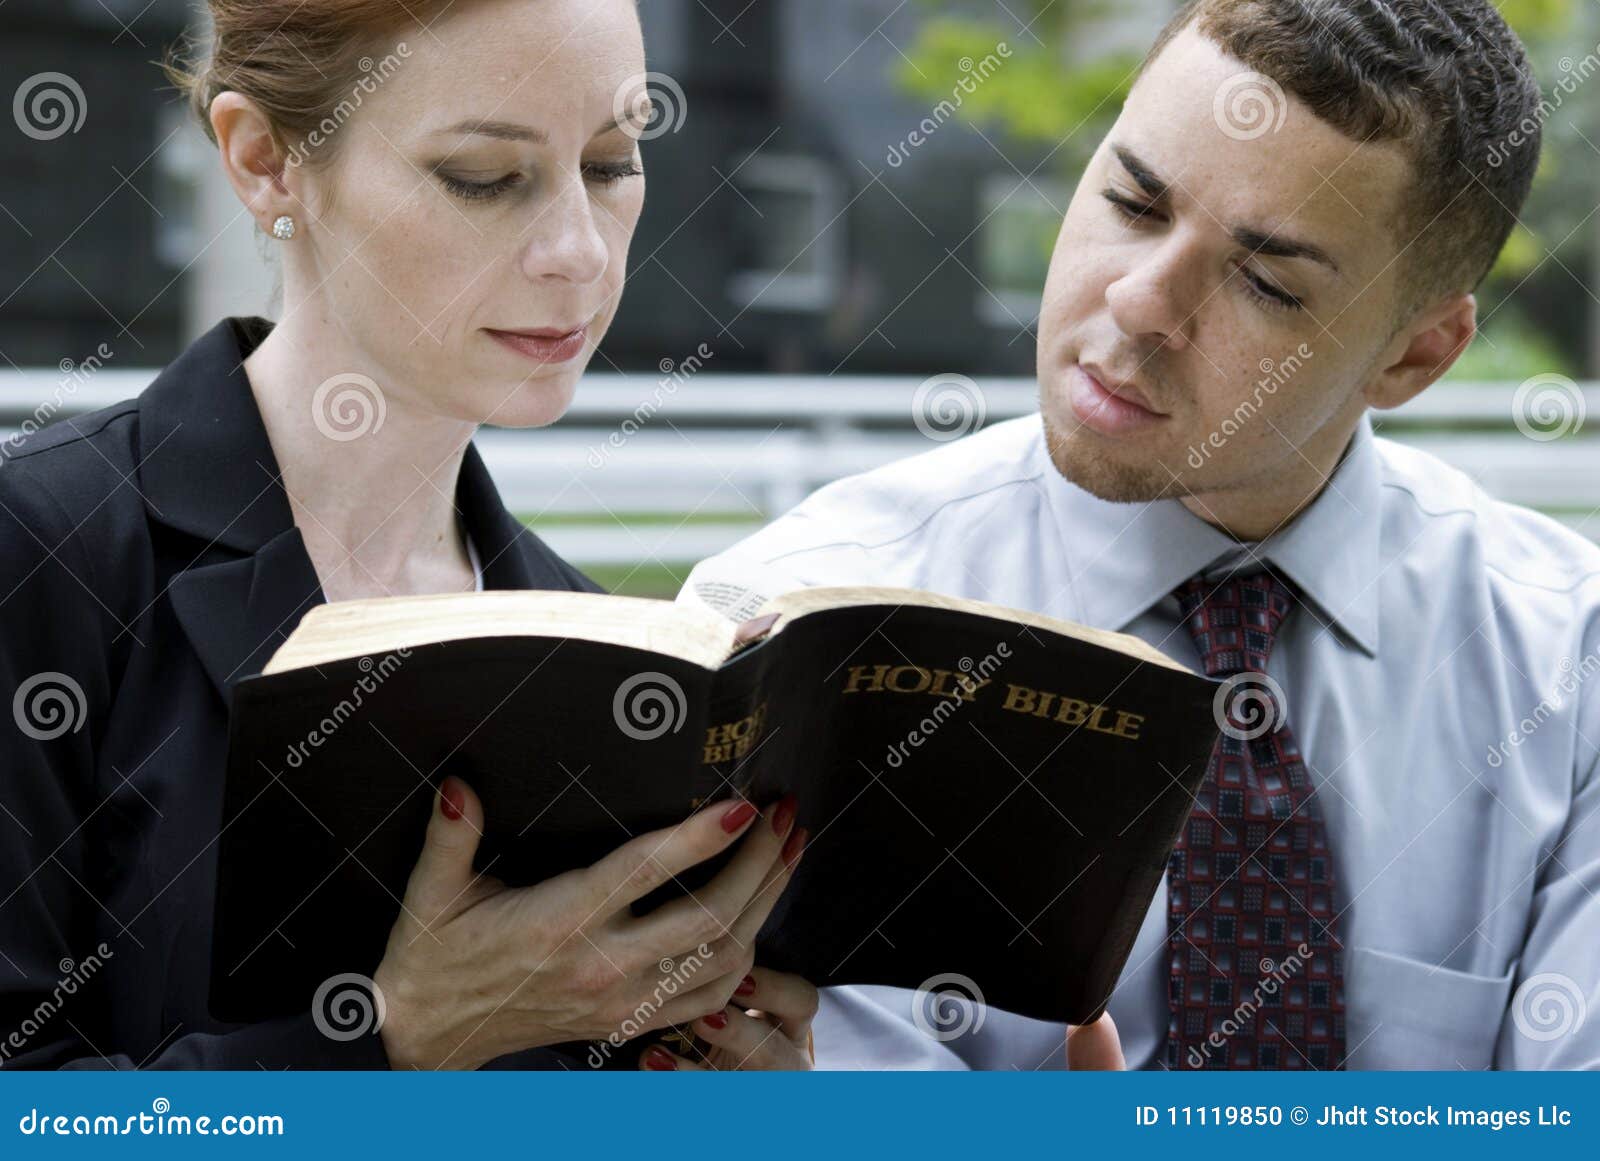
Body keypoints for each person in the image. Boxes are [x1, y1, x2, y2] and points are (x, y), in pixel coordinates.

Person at [683, 0, 1599, 1070]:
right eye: (1131, 198)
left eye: (1264, 282)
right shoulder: (797, 633)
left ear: (1415, 356)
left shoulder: (1567, 666)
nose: (1138, 301)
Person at [0, 0, 814, 1071]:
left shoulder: (609, 643)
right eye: (484, 176)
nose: (577, 252)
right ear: (264, 161)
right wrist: (394, 1041)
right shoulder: (43, 554)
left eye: (614, 162)